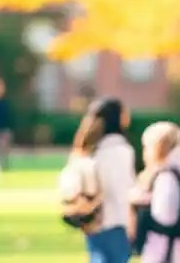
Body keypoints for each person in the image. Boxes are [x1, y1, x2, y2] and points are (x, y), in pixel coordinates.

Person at [58, 98, 136, 263]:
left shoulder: (89, 148)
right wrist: (132, 221)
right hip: (116, 222)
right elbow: (123, 192)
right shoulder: (121, 150)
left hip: (92, 219)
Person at [130, 122, 180, 263]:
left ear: (157, 147)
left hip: (164, 253)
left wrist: (140, 204)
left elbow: (164, 218)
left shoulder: (166, 177)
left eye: (146, 147)